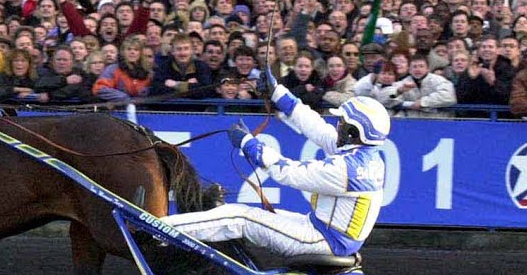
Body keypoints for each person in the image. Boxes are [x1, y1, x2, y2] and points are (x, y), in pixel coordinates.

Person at [162, 69, 391, 258]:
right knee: (246, 214)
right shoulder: (365, 157)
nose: (338, 125)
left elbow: (288, 173)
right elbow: (317, 127)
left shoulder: (345, 169)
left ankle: (159, 230)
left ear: (353, 132)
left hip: (321, 239)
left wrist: (249, 145)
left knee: (240, 217)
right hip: (323, 230)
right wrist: (278, 94)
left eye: (342, 122)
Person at [391, 54, 456, 117]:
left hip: (437, 121)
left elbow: (449, 97)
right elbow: (388, 99)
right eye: (414, 66)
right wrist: (398, 92)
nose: (418, 69)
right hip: (412, 122)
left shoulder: (439, 80)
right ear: (409, 70)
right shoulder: (403, 83)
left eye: (421, 66)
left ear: (427, 69)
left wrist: (423, 102)